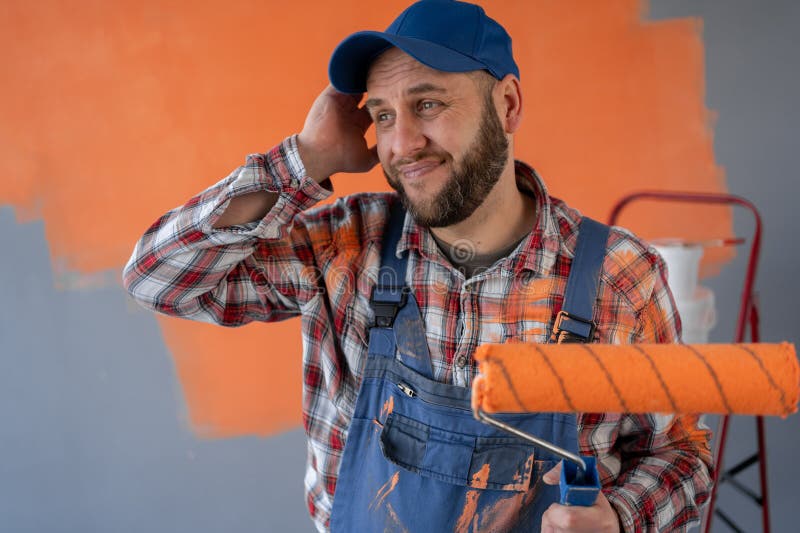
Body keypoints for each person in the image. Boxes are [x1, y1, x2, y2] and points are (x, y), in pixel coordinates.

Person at [123, 1, 713, 531]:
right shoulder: (343, 248)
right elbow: (157, 279)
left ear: (507, 105)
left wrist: (620, 519)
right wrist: (306, 159)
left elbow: (681, 453)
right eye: (382, 115)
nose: (401, 144)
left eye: (427, 104)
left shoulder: (619, 276)